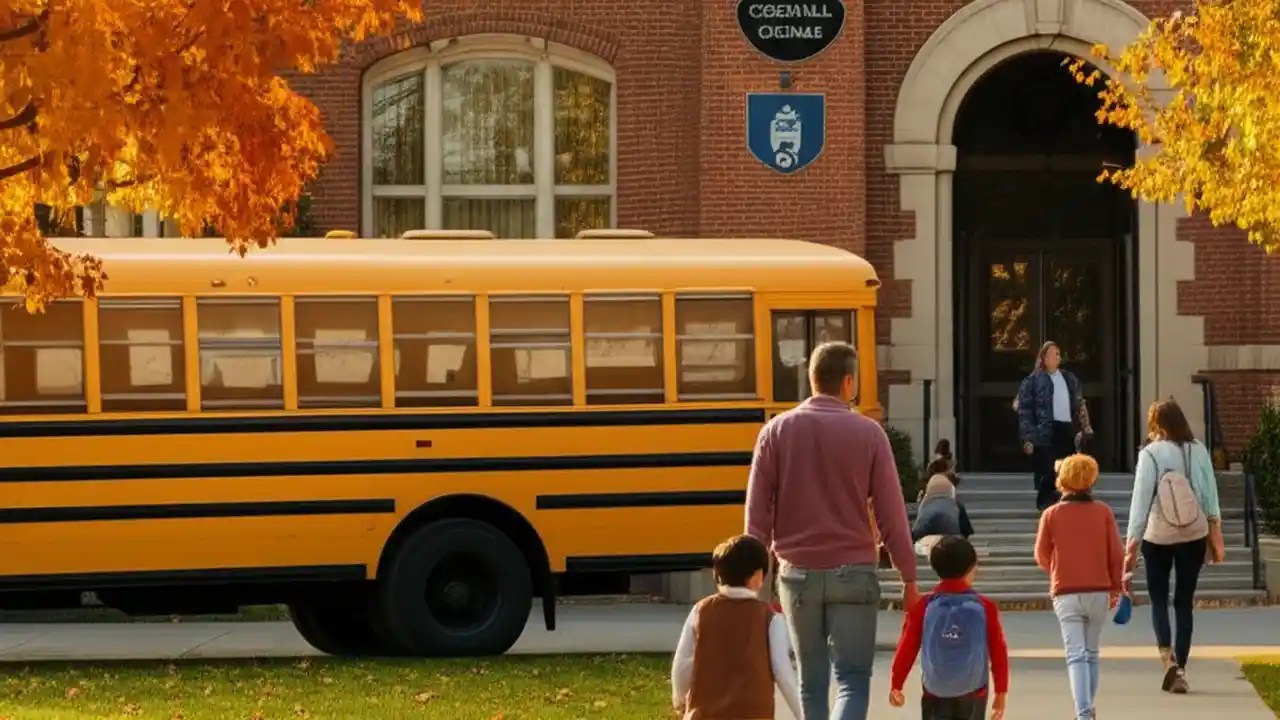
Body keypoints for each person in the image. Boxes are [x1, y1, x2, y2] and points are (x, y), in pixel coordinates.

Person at [746, 341, 918, 720]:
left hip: (796, 573)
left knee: (811, 679)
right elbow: (891, 513)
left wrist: (752, 579)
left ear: (812, 380)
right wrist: (909, 577)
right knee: (853, 679)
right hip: (854, 571)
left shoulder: (775, 432)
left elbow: (756, 513)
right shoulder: (870, 434)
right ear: (849, 383)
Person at [1124, 399, 1226, 694]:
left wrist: (1131, 544)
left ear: (1156, 425)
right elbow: (1209, 496)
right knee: (1184, 601)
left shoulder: (1150, 455)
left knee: (1159, 600)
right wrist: (1215, 532)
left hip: (1157, 536)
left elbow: (1140, 502)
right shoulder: (1199, 449)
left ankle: (1167, 659)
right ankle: (1181, 667)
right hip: (1193, 535)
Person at [671, 534, 802, 720]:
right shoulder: (770, 619)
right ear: (758, 576)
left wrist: (680, 699)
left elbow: (683, 664)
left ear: (717, 576)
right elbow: (782, 671)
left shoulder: (700, 611)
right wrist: (802, 713)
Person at [1034, 454, 1124, 720]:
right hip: (1098, 589)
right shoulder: (1103, 512)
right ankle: (1088, 708)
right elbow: (1116, 555)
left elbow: (1041, 554)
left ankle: (1083, 712)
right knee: (1092, 653)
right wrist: (1116, 588)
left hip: (1065, 590)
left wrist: (1056, 569)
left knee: (1075, 655)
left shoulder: (1051, 514)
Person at [889, 535, 1009, 720]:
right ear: (971, 569)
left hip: (934, 692)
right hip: (974, 692)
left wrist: (897, 683)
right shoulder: (986, 607)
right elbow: (998, 650)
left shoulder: (923, 606)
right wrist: (1000, 692)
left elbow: (907, 646)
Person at [1016, 341, 1091, 511]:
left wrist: (1083, 427)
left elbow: (1079, 404)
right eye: (1052, 354)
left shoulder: (1069, 378)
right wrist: (1028, 437)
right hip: (1045, 430)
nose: (1056, 357)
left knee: (1066, 467)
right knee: (1047, 470)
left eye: (1058, 354)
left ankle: (1065, 500)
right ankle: (1045, 504)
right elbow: (1025, 411)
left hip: (1066, 428)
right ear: (1043, 358)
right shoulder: (1033, 381)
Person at [913, 475, 969, 557]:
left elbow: (919, 529)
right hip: (953, 543)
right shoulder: (956, 505)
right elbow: (966, 531)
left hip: (931, 544)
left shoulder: (927, 505)